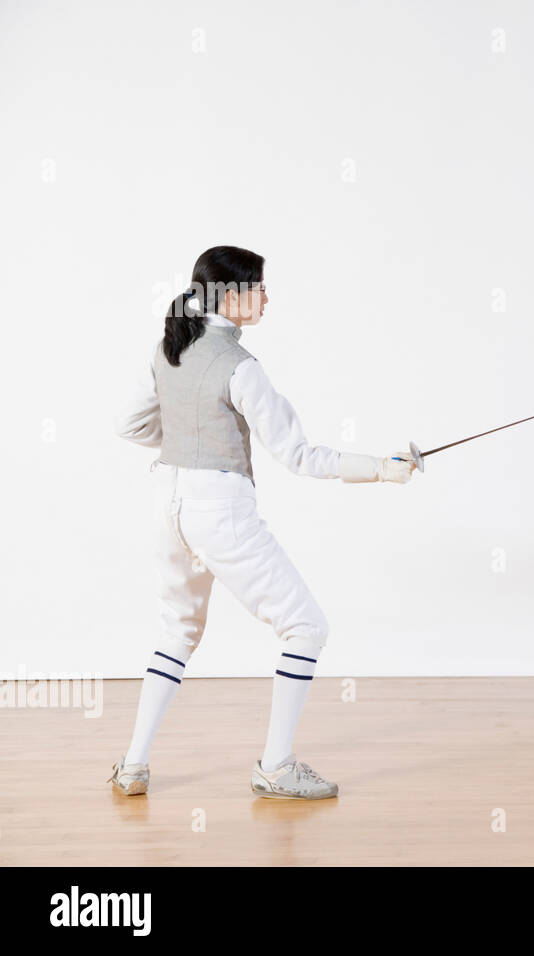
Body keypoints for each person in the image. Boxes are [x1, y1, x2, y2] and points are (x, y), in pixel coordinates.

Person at [110, 245, 418, 800]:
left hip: (168, 502)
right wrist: (384, 470)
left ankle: (133, 767)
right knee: (307, 628)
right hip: (218, 511)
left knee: (177, 632)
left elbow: (130, 425)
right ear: (231, 295)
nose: (267, 297)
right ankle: (276, 767)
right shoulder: (240, 367)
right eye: (260, 287)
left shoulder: (167, 349)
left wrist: (191, 441)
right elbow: (300, 457)